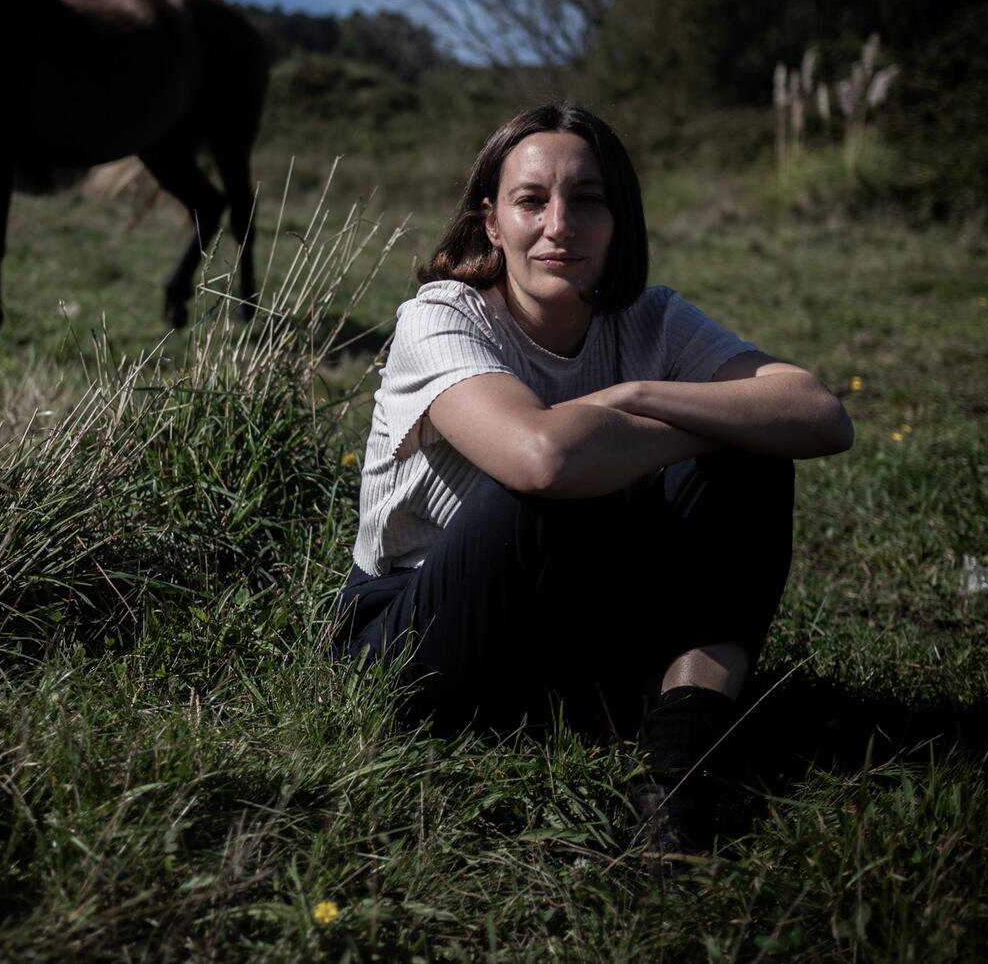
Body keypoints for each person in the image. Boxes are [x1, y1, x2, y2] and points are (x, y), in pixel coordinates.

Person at [332, 102, 853, 854]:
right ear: (491, 220)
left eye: (587, 200)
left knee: (753, 451)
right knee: (547, 485)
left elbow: (819, 413)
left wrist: (636, 396)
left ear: (620, 220)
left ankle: (684, 757)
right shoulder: (440, 319)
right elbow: (541, 459)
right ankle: (622, 704)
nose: (559, 225)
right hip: (413, 636)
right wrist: (695, 423)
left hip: (559, 616)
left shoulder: (652, 318)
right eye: (531, 200)